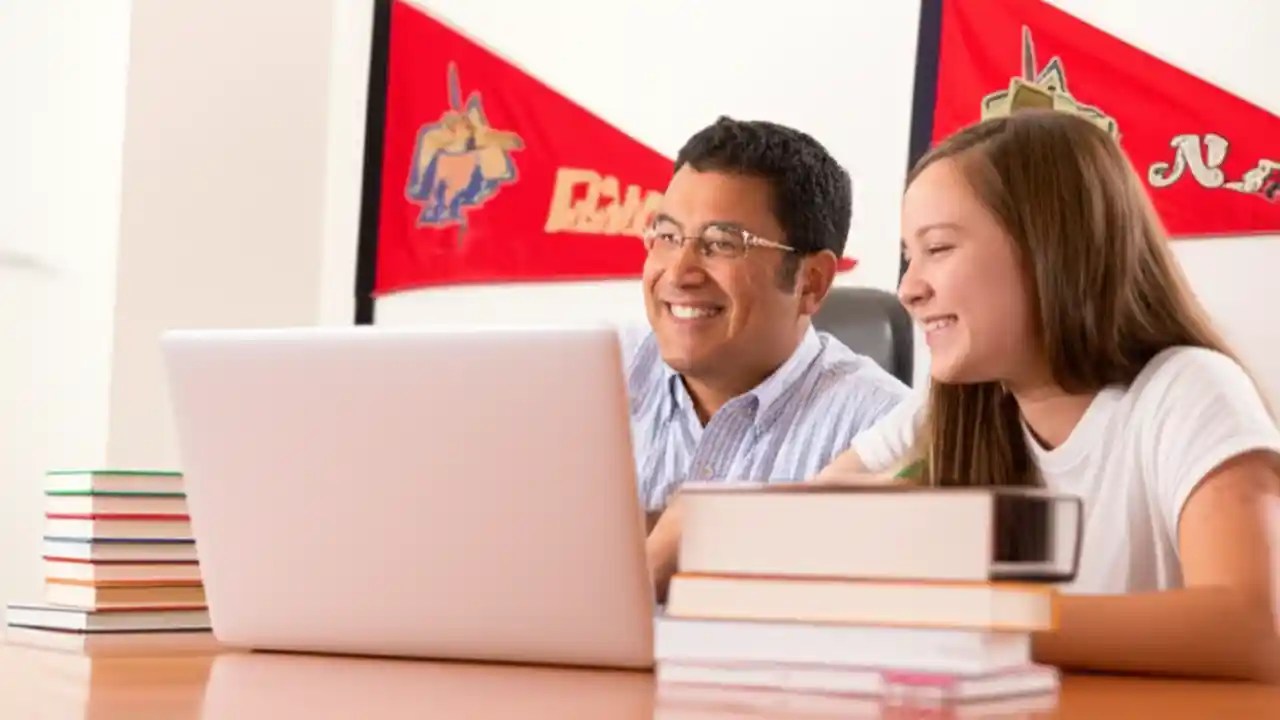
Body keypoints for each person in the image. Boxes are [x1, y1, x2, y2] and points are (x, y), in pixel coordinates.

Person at [818, 109, 1280, 682]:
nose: (908, 289)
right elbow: (813, 515)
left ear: (1051, 250)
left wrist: (975, 618)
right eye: (909, 257)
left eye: (938, 249)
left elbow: (1252, 627)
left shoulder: (1188, 391)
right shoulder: (954, 406)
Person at [629, 116, 909, 598]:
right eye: (668, 236)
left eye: (721, 244)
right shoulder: (589, 386)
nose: (678, 273)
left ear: (811, 282)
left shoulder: (883, 431)